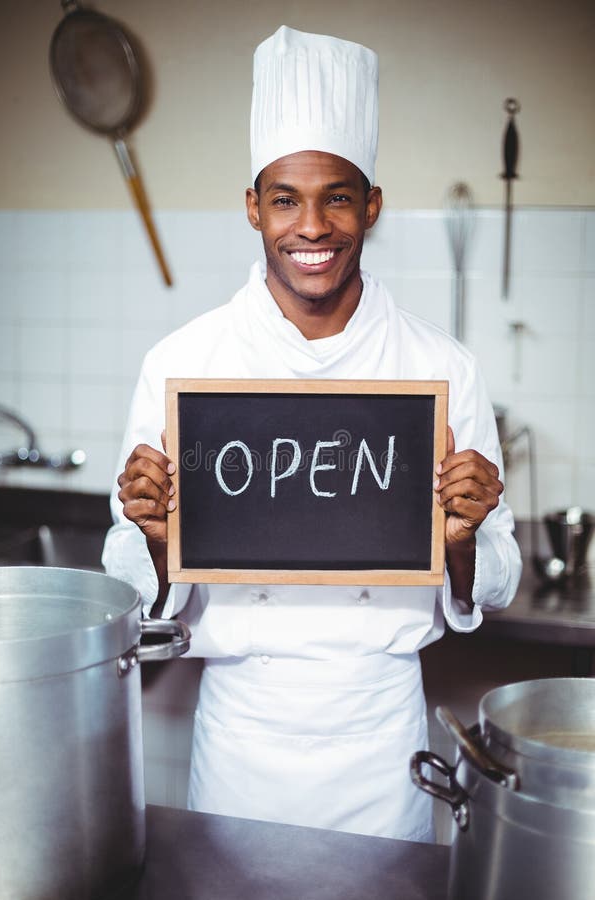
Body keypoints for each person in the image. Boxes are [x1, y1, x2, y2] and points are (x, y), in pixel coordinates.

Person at [103, 25, 521, 842]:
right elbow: (129, 579)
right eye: (286, 198)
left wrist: (465, 539)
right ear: (253, 207)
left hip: (382, 735)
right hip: (240, 737)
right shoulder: (185, 361)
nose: (313, 226)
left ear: (371, 205)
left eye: (337, 195)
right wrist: (153, 537)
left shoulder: (442, 367)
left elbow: (495, 575)